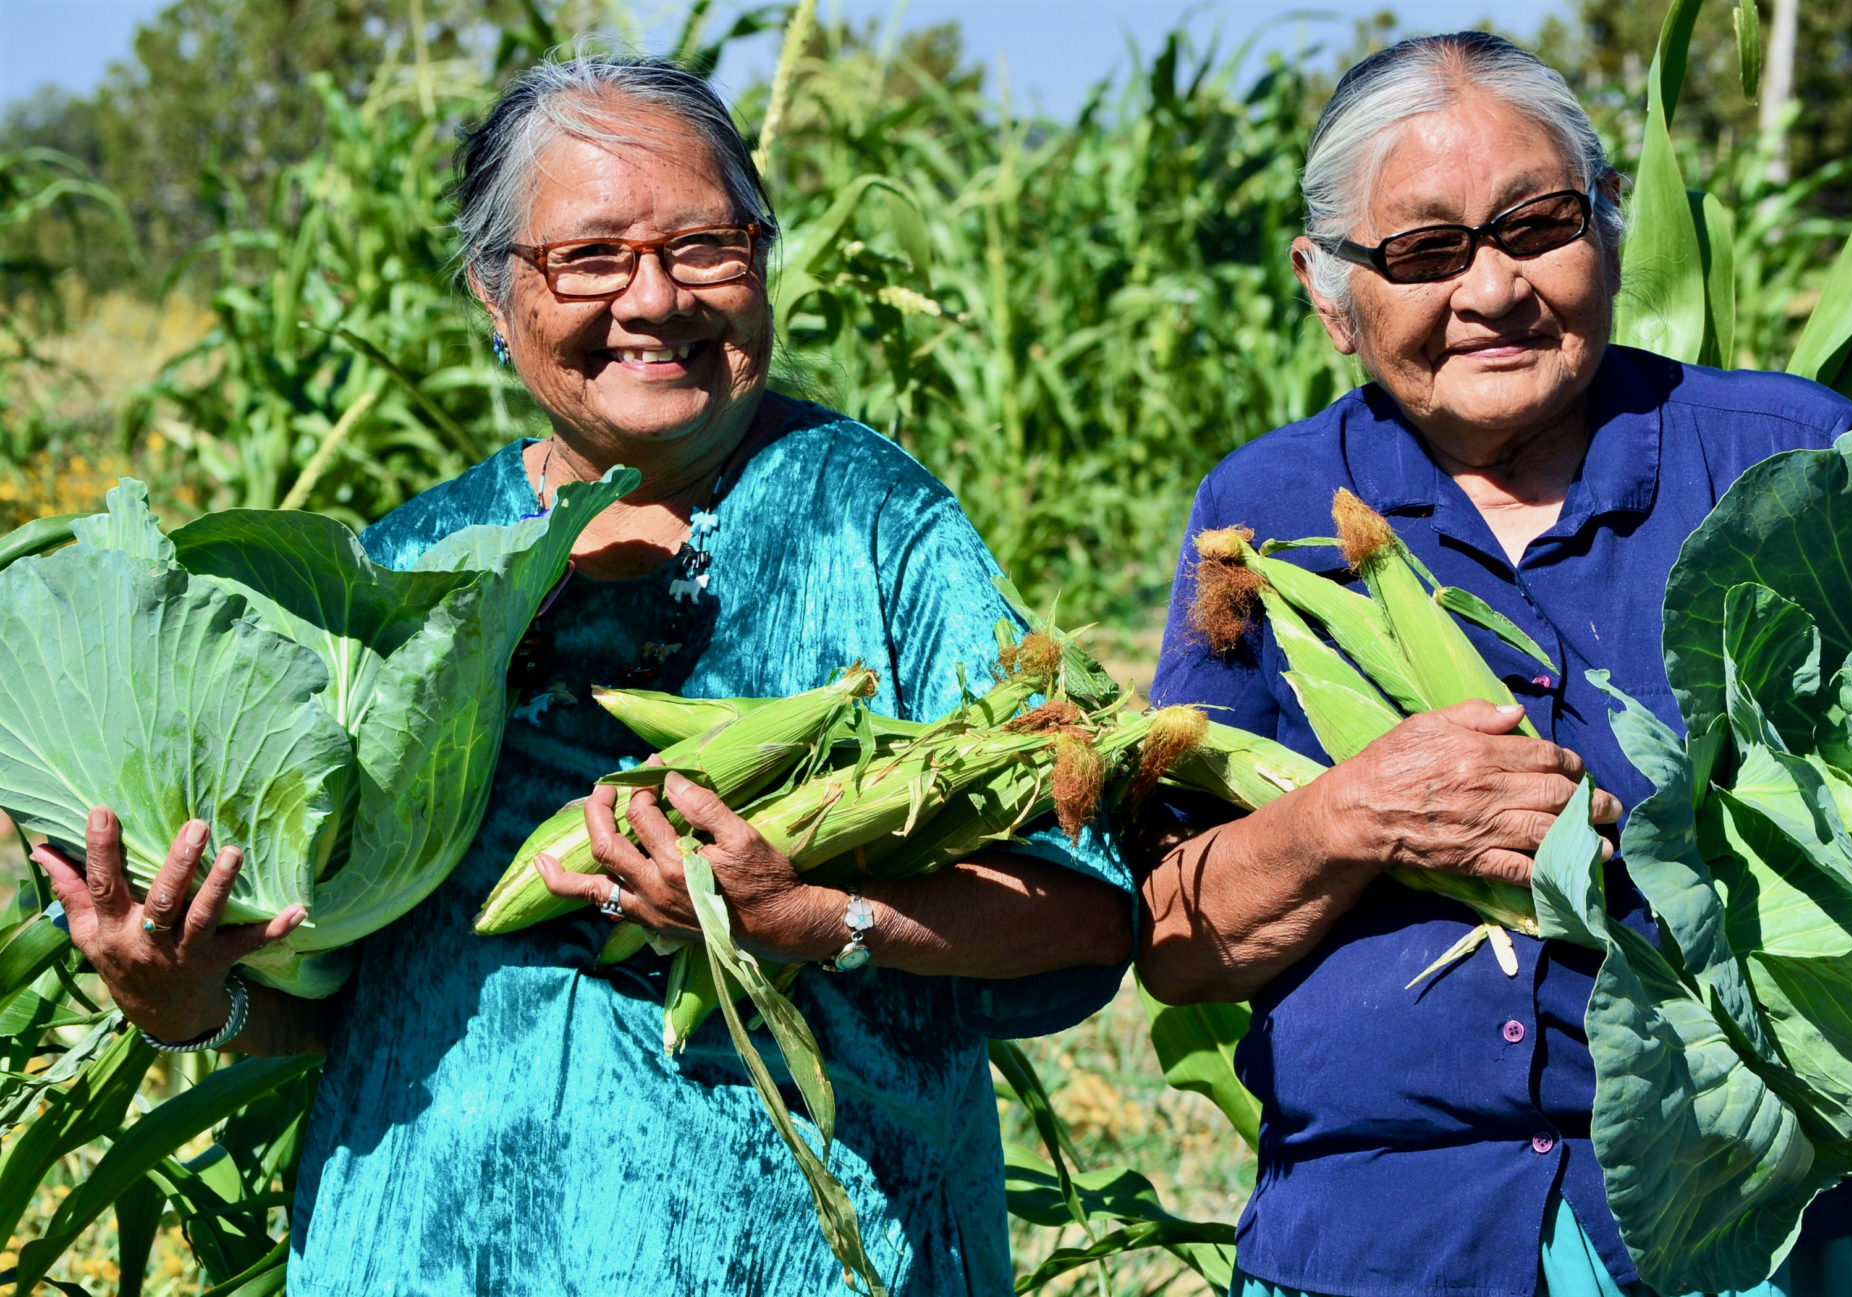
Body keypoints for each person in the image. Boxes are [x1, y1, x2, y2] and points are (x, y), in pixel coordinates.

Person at [30, 55, 1134, 1296]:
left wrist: (807, 921)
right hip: (424, 1250)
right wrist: (183, 995)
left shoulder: (879, 527)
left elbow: (1088, 909)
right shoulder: (408, 574)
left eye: (706, 246)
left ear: (764, 260)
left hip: (818, 1259)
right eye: (590, 259)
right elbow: (318, 990)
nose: (655, 300)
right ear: (494, 298)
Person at [1136, 32, 1852, 1297]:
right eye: (1422, 252)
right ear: (1326, 289)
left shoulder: (1789, 465)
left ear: (1609, 226)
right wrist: (1350, 818)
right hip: (1393, 1244)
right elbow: (1173, 937)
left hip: (1783, 1230)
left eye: (1537, 224)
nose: (1493, 288)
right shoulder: (1265, 513)